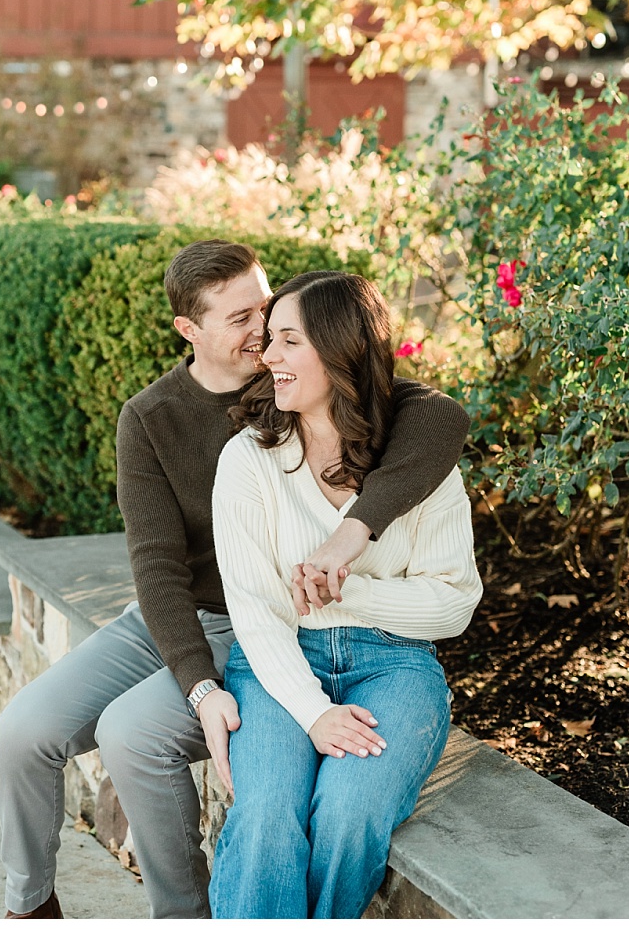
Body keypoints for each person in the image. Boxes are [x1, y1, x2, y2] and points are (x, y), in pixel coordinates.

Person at [0, 240, 469, 919]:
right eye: (242, 319)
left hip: (277, 616)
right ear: (189, 330)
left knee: (132, 734)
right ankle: (29, 906)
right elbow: (156, 567)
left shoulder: (294, 379)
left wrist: (351, 536)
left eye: (267, 311)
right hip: (194, 614)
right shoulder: (153, 417)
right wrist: (198, 683)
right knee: (21, 731)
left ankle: (185, 913)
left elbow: (439, 418)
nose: (263, 336)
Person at [207, 272, 481, 917]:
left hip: (395, 665)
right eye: (269, 338)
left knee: (348, 814)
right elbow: (258, 613)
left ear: (340, 350)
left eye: (288, 340)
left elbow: (453, 603)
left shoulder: (418, 463)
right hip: (277, 663)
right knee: (268, 814)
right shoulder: (248, 459)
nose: (267, 356)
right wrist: (312, 712)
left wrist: (347, 592)